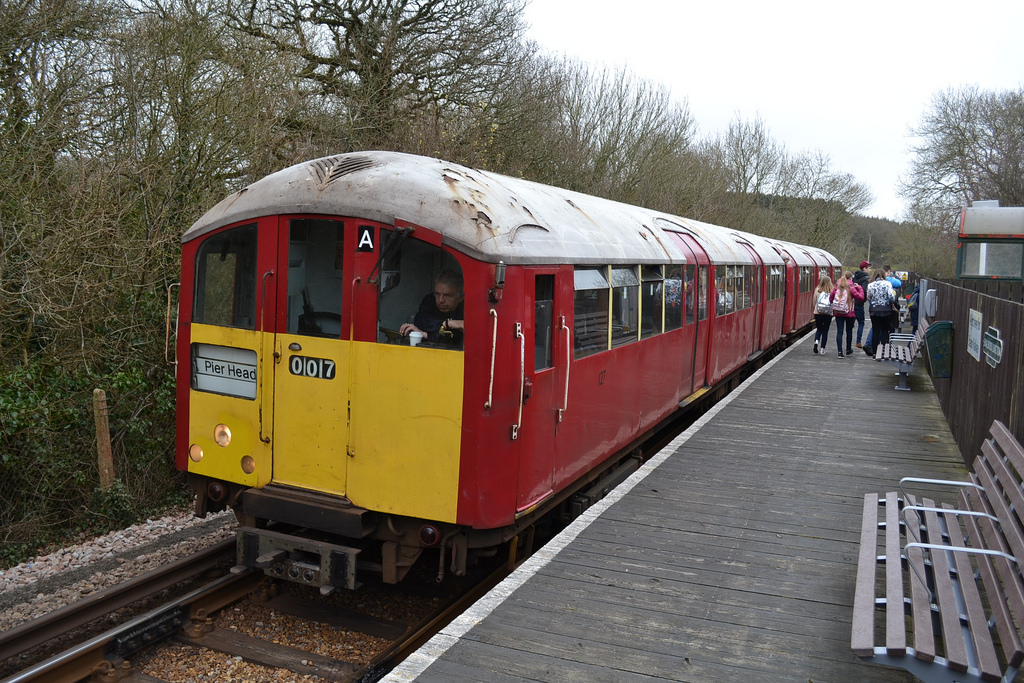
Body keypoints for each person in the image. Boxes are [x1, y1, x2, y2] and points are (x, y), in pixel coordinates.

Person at [400, 270, 465, 347]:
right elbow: (422, 322)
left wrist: (426, 334)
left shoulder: (468, 310)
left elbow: (455, 340)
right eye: (437, 294)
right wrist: (448, 323)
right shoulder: (430, 301)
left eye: (447, 295)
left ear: (461, 298)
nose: (441, 300)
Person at [831, 271, 864, 358]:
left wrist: (834, 304)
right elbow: (861, 297)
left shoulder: (838, 286)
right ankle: (848, 349)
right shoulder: (851, 287)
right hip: (849, 312)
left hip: (838, 312)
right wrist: (859, 287)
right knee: (849, 331)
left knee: (839, 332)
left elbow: (831, 297)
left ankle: (839, 352)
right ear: (850, 278)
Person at [865, 269, 896, 353]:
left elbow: (868, 297)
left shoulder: (870, 285)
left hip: (874, 310)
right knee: (885, 330)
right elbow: (892, 297)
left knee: (875, 330)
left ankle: (874, 352)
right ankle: (883, 350)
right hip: (886, 310)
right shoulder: (887, 284)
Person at [812, 275, 834, 355]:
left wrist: (815, 308)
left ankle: (816, 341)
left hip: (818, 313)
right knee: (825, 331)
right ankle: (822, 349)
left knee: (819, 329)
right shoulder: (832, 291)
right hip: (828, 314)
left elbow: (814, 302)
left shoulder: (817, 290)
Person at [852, 260, 871, 348]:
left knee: (850, 324)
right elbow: (864, 291)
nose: (870, 270)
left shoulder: (854, 277)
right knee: (861, 323)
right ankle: (858, 341)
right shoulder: (866, 279)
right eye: (869, 268)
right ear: (864, 268)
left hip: (851, 303)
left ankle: (849, 343)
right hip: (859, 304)